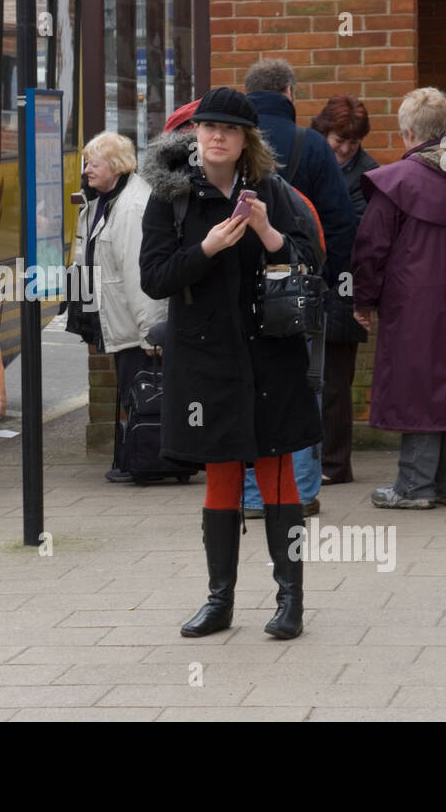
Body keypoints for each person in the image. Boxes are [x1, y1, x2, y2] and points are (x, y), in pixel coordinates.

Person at [139, 87, 323, 640]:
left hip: (270, 353)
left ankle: (290, 600)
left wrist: (268, 234)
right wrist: (207, 249)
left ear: (247, 141)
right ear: (194, 134)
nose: (216, 136)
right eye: (207, 127)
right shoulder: (170, 198)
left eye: (229, 129)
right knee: (219, 471)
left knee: (276, 472)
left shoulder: (272, 190)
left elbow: (310, 262)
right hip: (206, 359)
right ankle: (219, 601)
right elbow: (154, 277)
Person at [352, 87, 446, 509]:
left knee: (417, 385)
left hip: (411, 304)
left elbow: (371, 249)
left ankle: (414, 486)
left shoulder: (396, 184)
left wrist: (363, 301)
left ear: (407, 133)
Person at [244, 58, 356, 517]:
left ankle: (252, 494)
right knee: (306, 384)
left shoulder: (226, 142)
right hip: (299, 289)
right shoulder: (309, 144)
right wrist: (337, 287)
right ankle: (302, 491)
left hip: (239, 289)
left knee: (248, 387)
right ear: (289, 94)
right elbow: (340, 222)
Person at [68, 132, 167, 482]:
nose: (87, 170)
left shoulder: (130, 206)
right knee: (135, 393)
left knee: (142, 392)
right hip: (121, 321)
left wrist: (149, 332)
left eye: (93, 163)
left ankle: (149, 462)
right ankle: (138, 459)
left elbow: (140, 276)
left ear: (115, 166)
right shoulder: (106, 201)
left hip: (133, 325)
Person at [310, 94, 379, 485]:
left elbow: (359, 233)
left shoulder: (368, 174)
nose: (345, 149)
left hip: (344, 284)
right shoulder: (309, 155)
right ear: (324, 131)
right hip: (308, 281)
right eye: (339, 140)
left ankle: (335, 466)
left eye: (352, 143)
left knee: (336, 382)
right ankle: (308, 460)